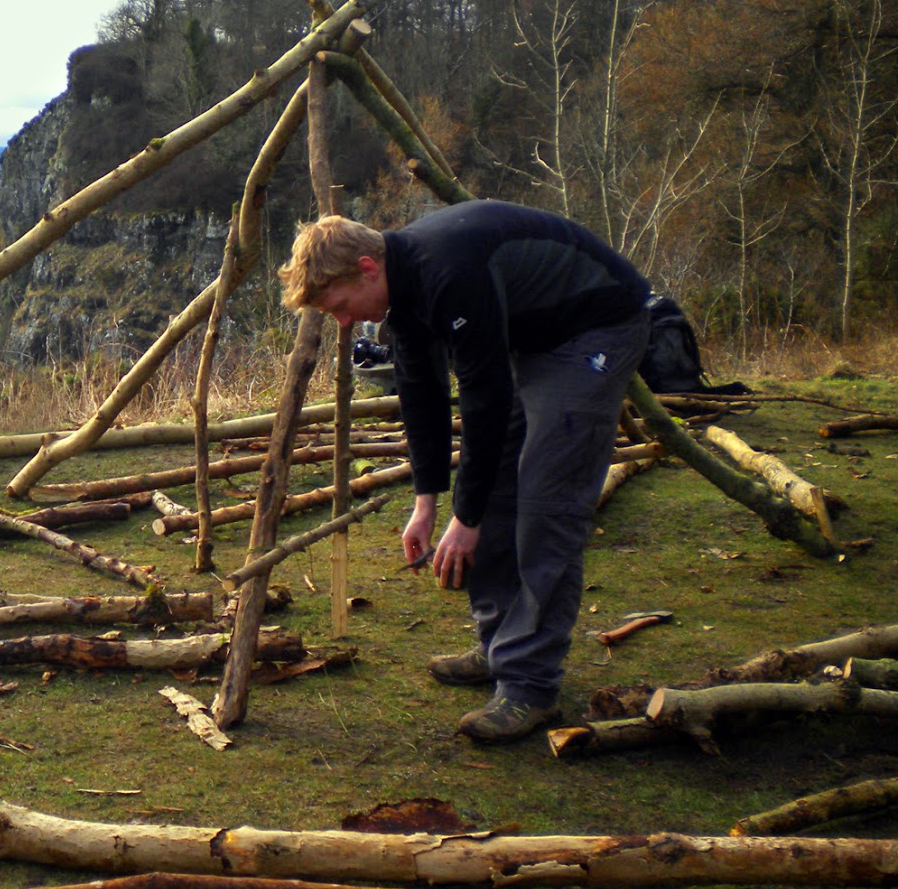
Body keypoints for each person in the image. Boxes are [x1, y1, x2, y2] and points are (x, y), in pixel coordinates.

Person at [279, 202, 653, 744]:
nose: (344, 322)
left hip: (595, 330)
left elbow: (485, 400)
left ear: (366, 268)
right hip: (533, 336)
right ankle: (500, 641)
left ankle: (528, 685)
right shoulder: (400, 288)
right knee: (498, 487)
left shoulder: (451, 272)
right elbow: (421, 394)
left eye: (341, 306)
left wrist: (466, 517)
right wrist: (428, 500)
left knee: (547, 500)